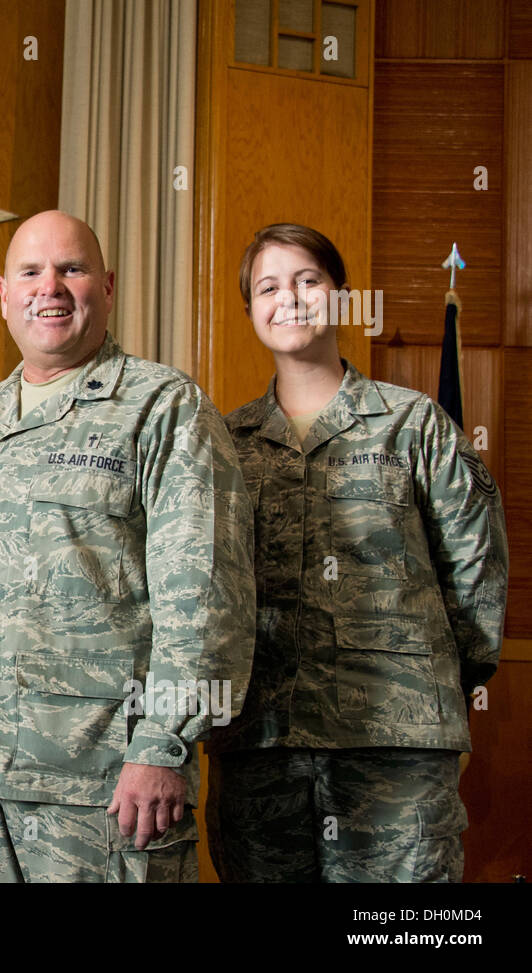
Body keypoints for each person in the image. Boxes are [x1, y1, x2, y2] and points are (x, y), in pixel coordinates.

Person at [0, 210, 255, 882]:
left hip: (107, 790)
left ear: (107, 286)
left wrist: (164, 746)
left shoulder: (163, 407)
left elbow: (206, 595)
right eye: (31, 271)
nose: (49, 287)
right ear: (3, 292)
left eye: (71, 269)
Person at [205, 223, 508, 883]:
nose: (290, 297)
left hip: (396, 753)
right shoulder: (225, 444)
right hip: (263, 749)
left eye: (309, 280)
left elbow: (476, 580)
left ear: (339, 295)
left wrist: (422, 694)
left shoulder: (416, 425)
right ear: (251, 309)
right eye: (268, 286)